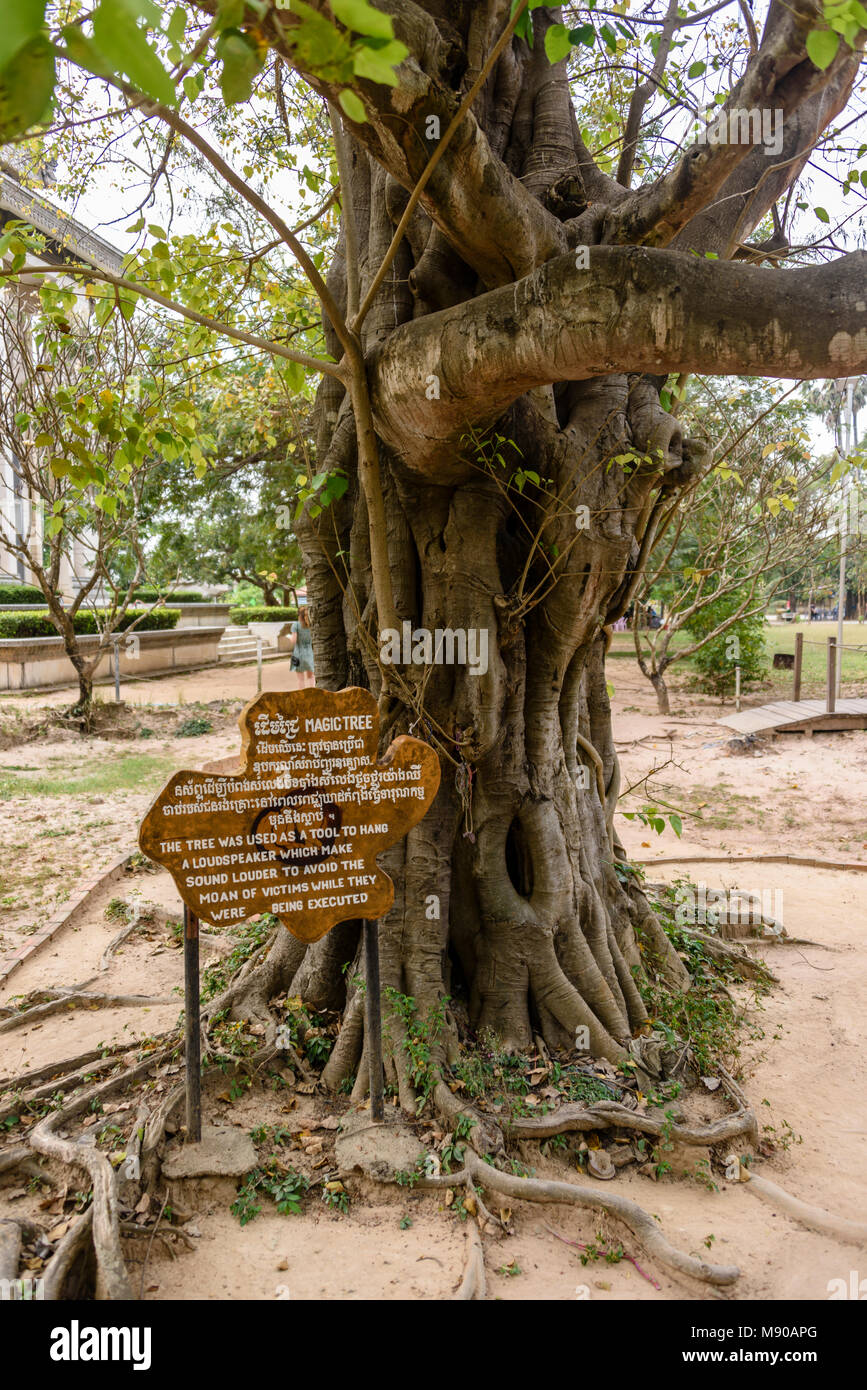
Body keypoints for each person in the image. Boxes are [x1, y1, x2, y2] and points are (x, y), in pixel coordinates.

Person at [289, 605, 314, 687]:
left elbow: (294, 640)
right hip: (310, 654)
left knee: (300, 679)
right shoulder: (311, 625)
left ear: (299, 615)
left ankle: (302, 699)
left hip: (298, 655)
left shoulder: (295, 625)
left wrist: (289, 637)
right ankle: (313, 696)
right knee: (311, 678)